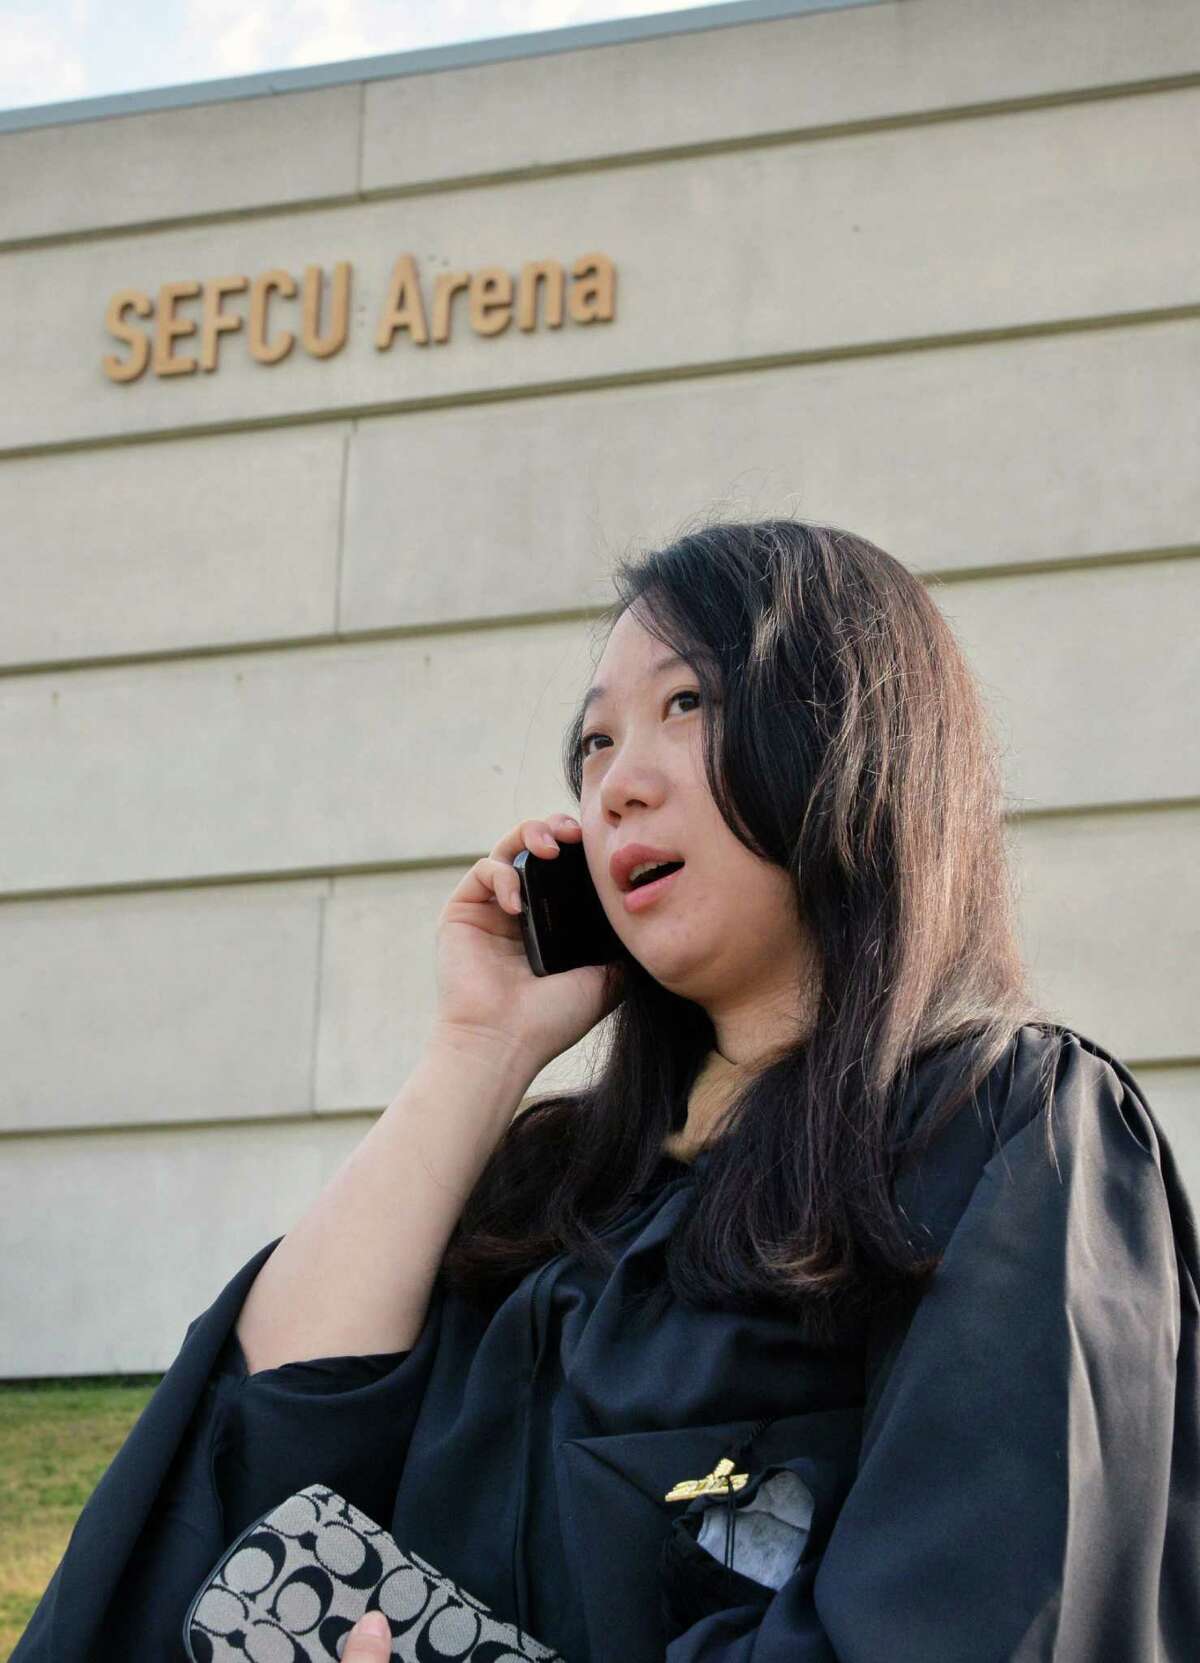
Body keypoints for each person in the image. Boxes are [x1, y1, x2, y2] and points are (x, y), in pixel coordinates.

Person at [13, 519, 1199, 1662]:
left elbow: (984, 1616)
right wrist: (478, 1048)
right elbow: (254, 1456)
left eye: (689, 704)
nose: (618, 783)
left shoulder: (1003, 1131)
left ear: (853, 740)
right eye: (592, 745)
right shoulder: (554, 1189)